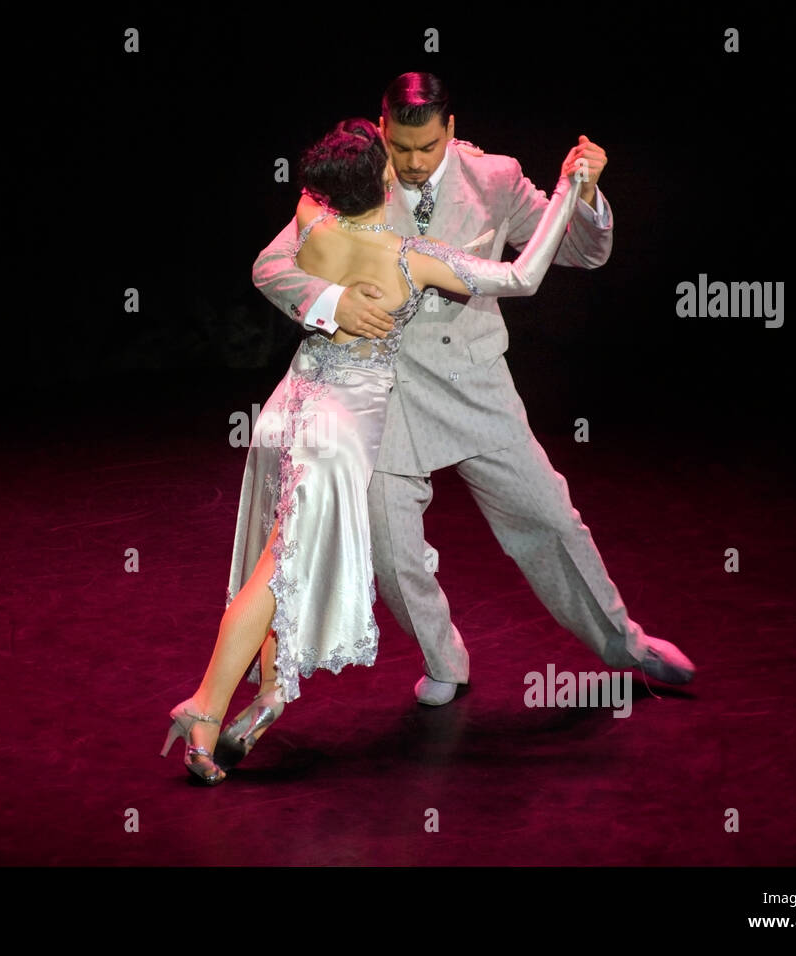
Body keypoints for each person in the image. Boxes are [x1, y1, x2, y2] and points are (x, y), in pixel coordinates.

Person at [161, 117, 583, 784]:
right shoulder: (407, 255)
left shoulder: (312, 218)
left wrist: (328, 292)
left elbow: (283, 248)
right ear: (383, 176)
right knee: (278, 569)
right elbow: (525, 275)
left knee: (280, 567)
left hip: (286, 409)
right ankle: (205, 706)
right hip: (334, 433)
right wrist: (568, 187)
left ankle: (269, 695)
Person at [253, 73, 696, 708]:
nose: (411, 163)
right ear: (381, 130)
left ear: (450, 130)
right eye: (400, 147)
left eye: (426, 147)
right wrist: (332, 301)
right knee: (391, 552)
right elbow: (273, 265)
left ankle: (626, 645)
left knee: (549, 518)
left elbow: (579, 252)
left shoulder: (494, 176)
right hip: (387, 390)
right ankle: (444, 656)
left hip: (475, 380)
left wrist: (585, 194)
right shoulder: (352, 177)